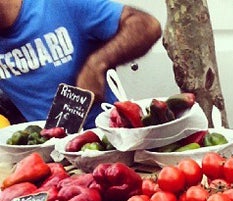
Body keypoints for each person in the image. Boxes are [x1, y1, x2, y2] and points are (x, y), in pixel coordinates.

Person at [0, 0, 162, 127]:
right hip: (44, 151)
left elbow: (147, 25)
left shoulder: (60, 5)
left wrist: (96, 64)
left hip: (105, 139)